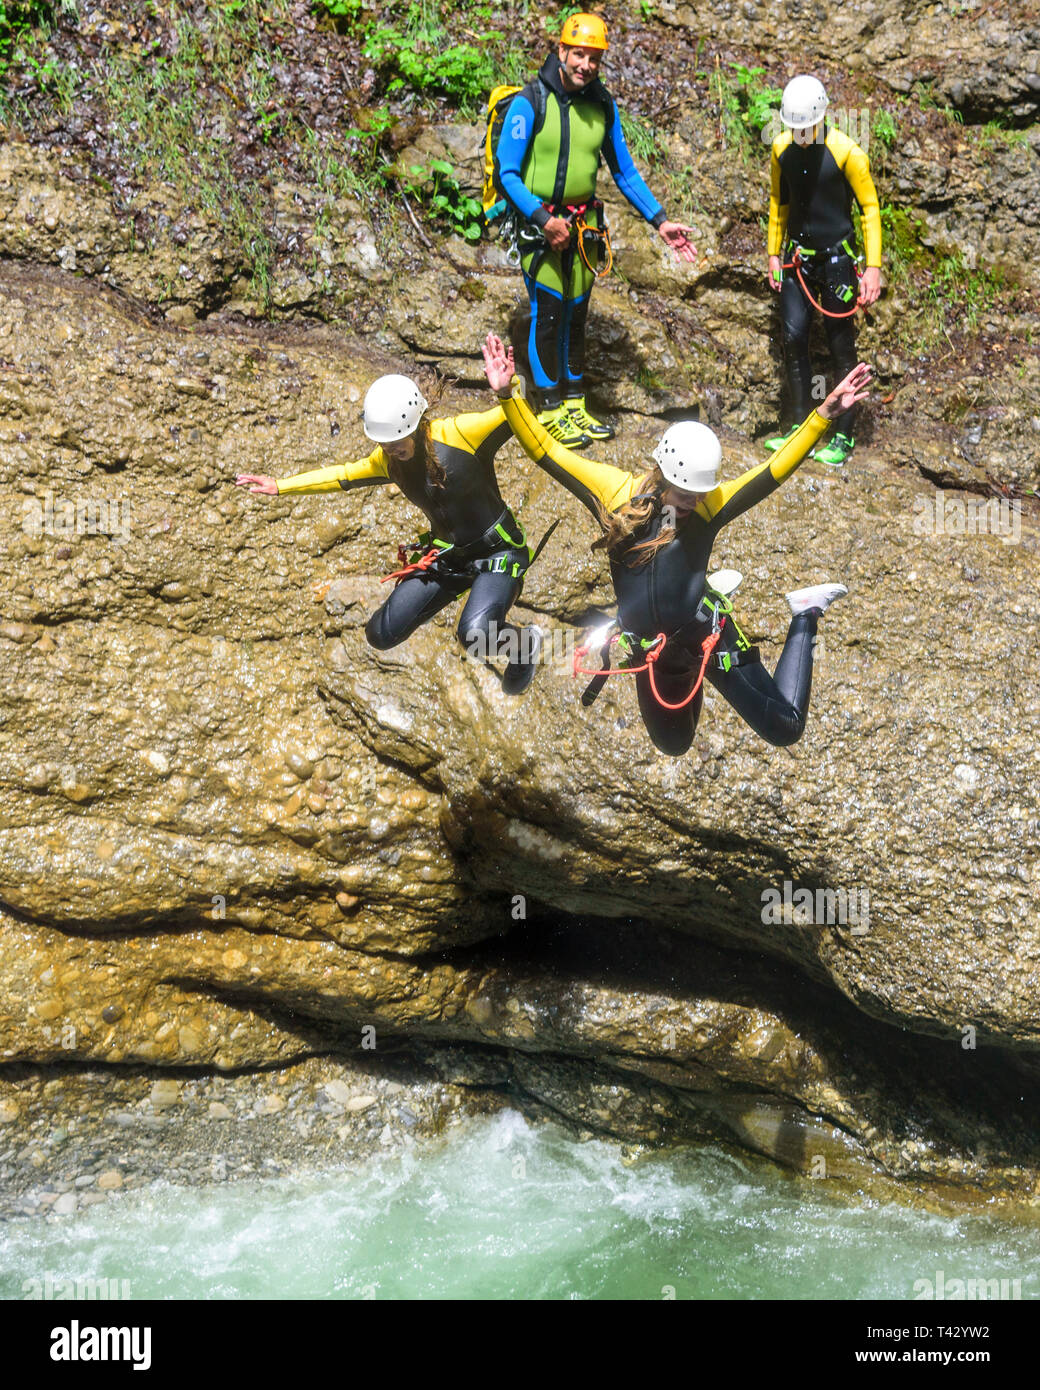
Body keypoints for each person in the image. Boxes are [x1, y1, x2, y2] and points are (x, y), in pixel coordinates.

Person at [482, 331, 871, 755]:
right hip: (651, 647)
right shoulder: (616, 496)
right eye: (683, 491)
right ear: (662, 471)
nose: (691, 501)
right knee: (674, 743)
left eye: (699, 492)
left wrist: (823, 415)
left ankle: (806, 611)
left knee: (785, 728)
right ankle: (698, 607)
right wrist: (509, 397)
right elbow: (545, 451)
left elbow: (773, 470)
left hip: (705, 632)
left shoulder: (709, 506)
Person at [236, 372, 543, 694]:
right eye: (383, 443)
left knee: (474, 634)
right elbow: (342, 476)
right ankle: (461, 595)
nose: (390, 449)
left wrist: (509, 389)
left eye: (397, 441)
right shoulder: (387, 461)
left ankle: (524, 645)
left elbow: (522, 409)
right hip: (451, 558)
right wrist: (280, 486)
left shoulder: (460, 434)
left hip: (498, 552)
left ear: (416, 422)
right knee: (380, 634)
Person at [493, 11, 696, 448]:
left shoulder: (602, 104)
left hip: (585, 229)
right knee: (548, 313)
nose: (585, 64)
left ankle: (574, 406)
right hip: (539, 227)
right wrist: (544, 220)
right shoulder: (530, 101)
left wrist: (660, 221)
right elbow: (507, 173)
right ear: (561, 50)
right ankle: (548, 409)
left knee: (576, 316)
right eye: (578, 54)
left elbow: (624, 172)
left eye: (594, 57)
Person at [765, 75, 881, 468]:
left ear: (821, 117)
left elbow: (870, 210)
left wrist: (873, 268)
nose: (800, 136)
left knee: (840, 347)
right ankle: (800, 427)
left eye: (806, 128)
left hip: (837, 262)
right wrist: (772, 254)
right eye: (793, 128)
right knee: (794, 338)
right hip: (796, 260)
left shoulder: (846, 152)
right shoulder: (781, 149)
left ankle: (844, 434)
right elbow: (778, 203)